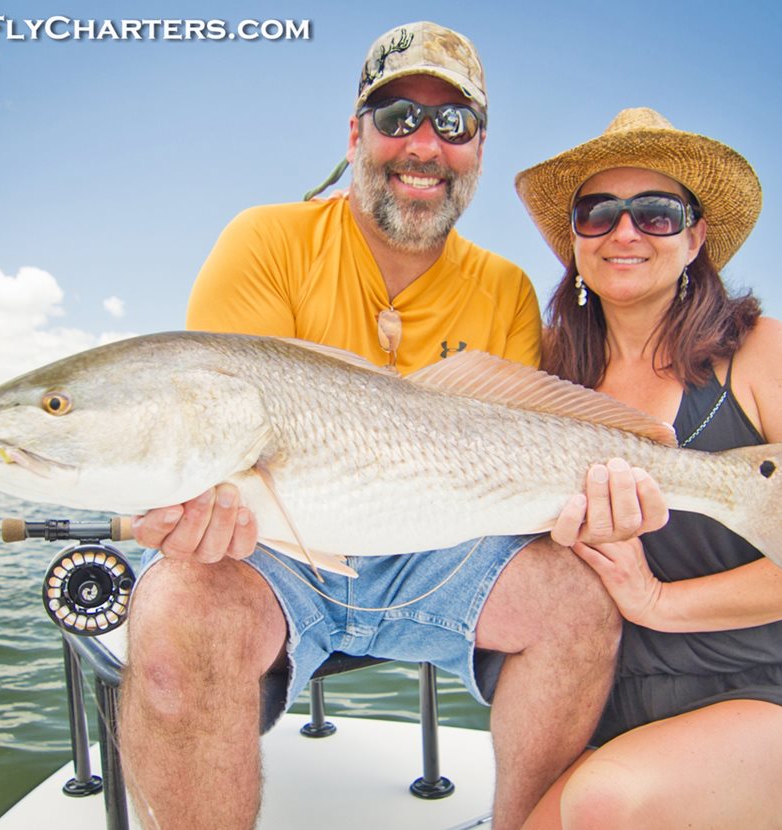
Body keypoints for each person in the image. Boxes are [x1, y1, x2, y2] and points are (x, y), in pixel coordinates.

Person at [119, 24, 666, 830]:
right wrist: (195, 511)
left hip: (437, 558)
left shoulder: (507, 289)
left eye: (454, 125)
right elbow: (219, 457)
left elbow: (514, 468)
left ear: (479, 150)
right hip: (270, 554)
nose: (424, 145)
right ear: (355, 134)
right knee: (174, 609)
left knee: (579, 596)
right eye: (397, 114)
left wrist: (598, 511)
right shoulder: (264, 242)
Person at [512, 107, 782, 829]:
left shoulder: (759, 348)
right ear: (574, 240)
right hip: (632, 693)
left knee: (606, 806)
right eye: (598, 212)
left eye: (657, 214)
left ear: (696, 237)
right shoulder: (546, 372)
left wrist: (658, 604)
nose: (626, 232)